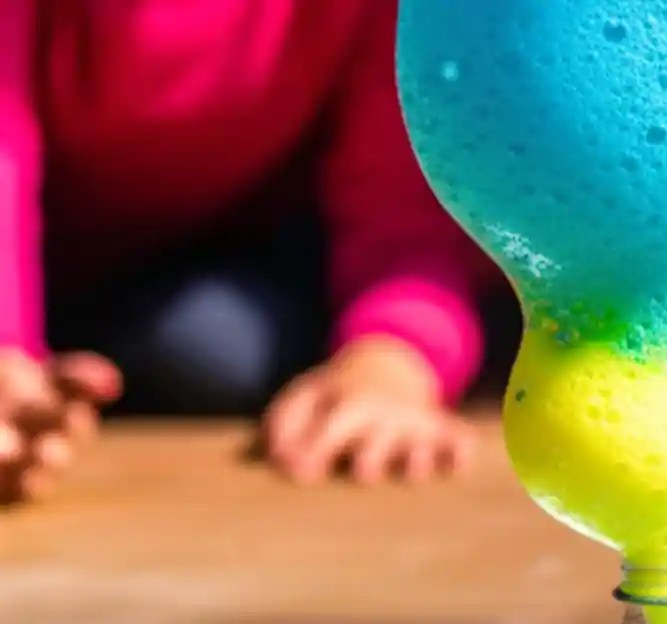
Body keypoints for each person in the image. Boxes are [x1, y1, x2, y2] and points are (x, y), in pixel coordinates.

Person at [0, 1, 500, 502]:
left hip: (230, 267)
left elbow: (405, 215)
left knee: (208, 348)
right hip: (41, 272)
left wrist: (391, 363)